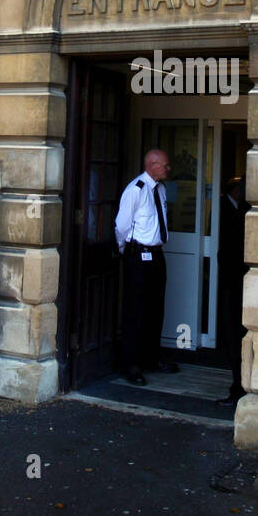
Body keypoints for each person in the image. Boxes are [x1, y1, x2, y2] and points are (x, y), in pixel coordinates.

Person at [115, 148, 180, 384]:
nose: (168, 169)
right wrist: (127, 251)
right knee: (135, 311)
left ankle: (151, 358)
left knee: (155, 309)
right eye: (165, 165)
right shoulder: (136, 190)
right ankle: (131, 365)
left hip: (156, 255)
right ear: (152, 165)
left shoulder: (160, 189)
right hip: (138, 255)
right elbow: (121, 226)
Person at [215, 176, 249, 405]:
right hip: (236, 279)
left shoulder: (244, 213)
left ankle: (239, 386)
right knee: (236, 334)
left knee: (236, 334)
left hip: (236, 280)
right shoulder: (238, 211)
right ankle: (239, 385)